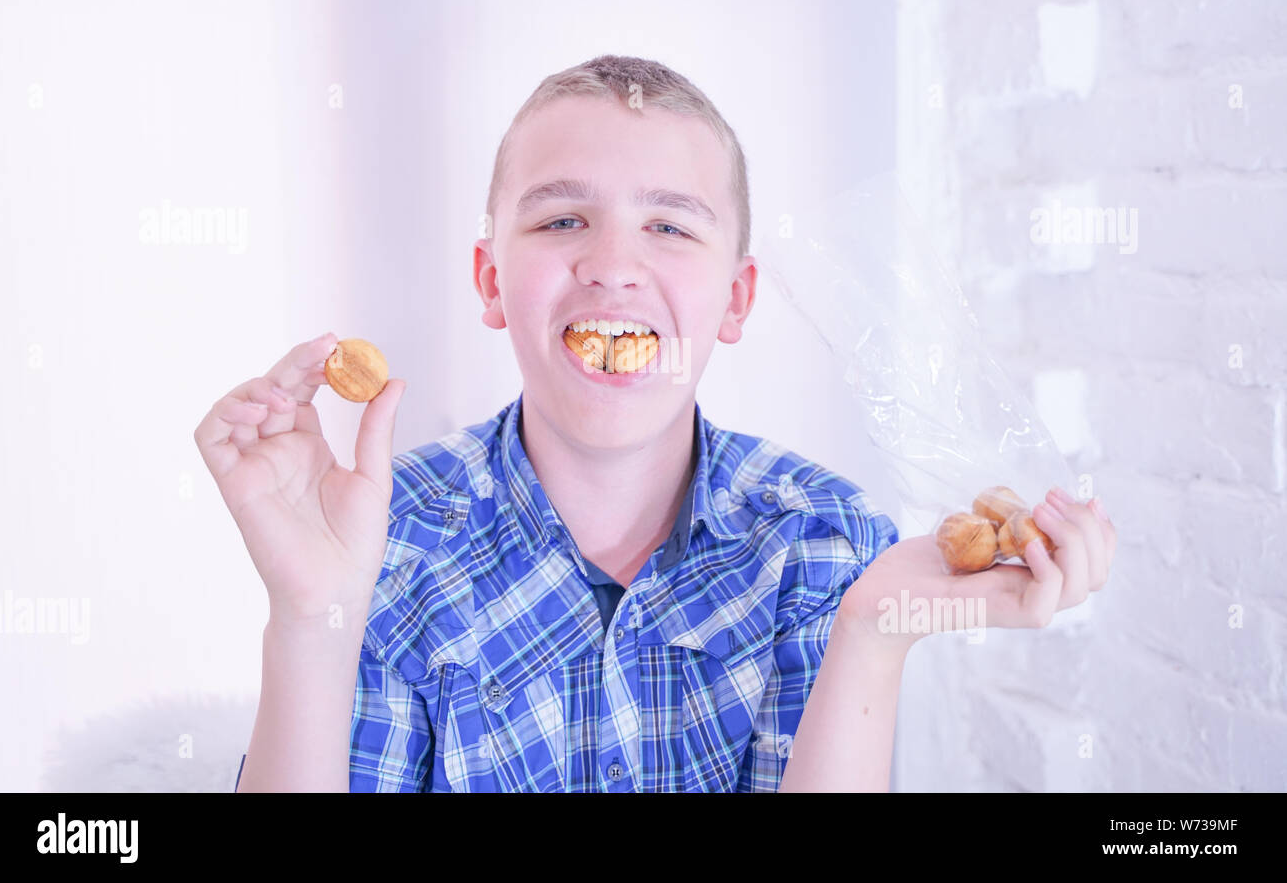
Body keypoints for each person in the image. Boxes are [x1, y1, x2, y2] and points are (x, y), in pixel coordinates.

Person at [194, 54, 1116, 792]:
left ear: (735, 298)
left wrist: (871, 632)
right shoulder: (389, 531)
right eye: (562, 220)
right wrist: (314, 616)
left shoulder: (823, 546)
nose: (613, 265)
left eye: (670, 228)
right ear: (489, 281)